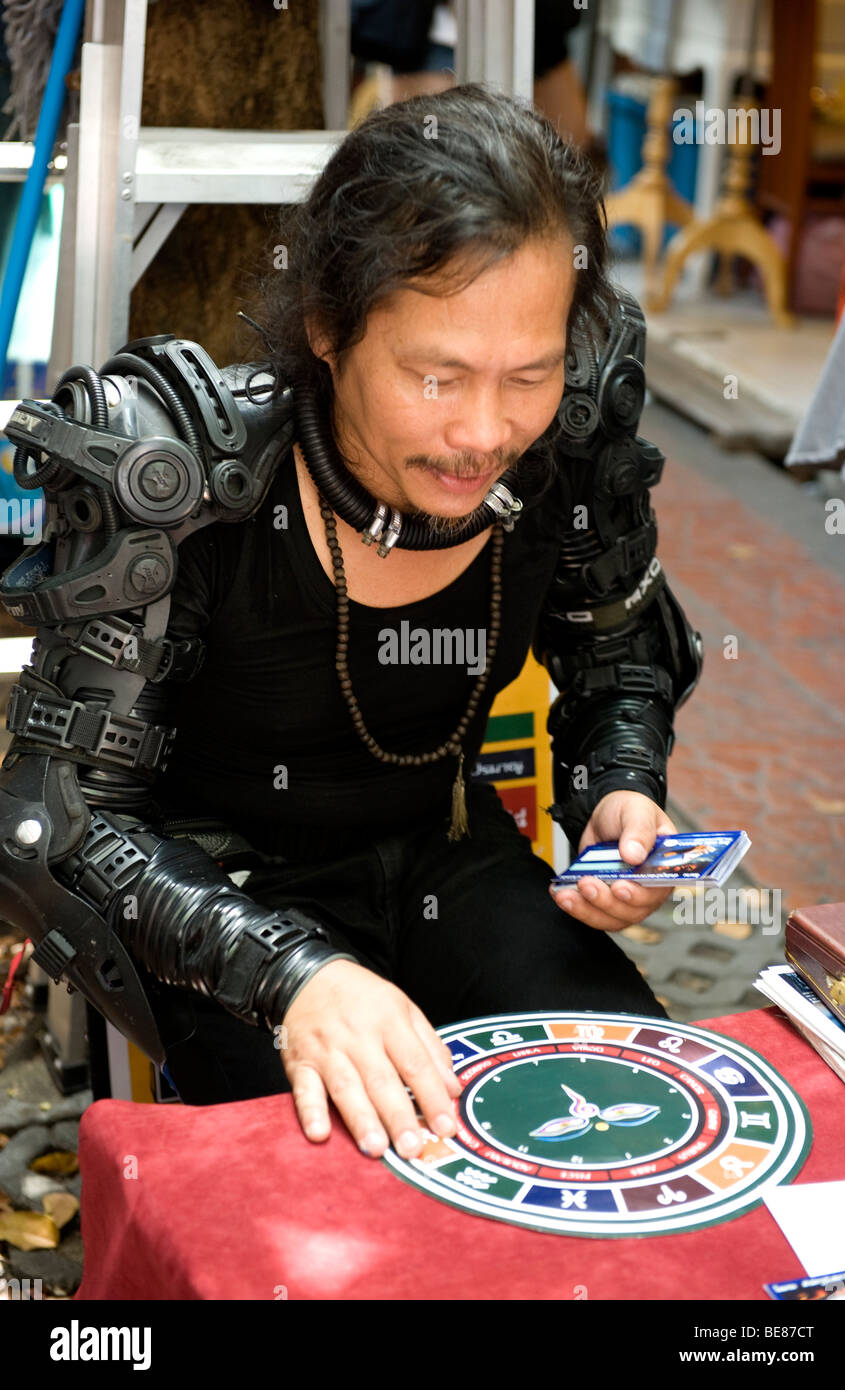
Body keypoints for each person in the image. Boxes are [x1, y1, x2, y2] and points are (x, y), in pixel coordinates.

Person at [0, 85, 702, 1164]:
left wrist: (618, 784)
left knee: (636, 1113)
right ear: (329, 325)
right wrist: (294, 975)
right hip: (218, 899)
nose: (484, 432)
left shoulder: (567, 432)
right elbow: (63, 824)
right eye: (436, 376)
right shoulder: (187, 480)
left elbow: (613, 637)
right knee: (353, 1199)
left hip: (449, 849)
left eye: (527, 373)